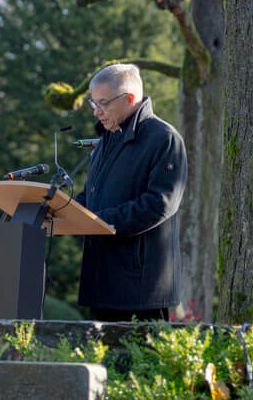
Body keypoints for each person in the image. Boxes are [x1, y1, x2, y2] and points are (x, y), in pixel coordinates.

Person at [74, 63, 187, 321]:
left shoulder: (163, 138)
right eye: (93, 104)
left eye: (103, 103)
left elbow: (160, 204)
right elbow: (91, 197)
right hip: (102, 279)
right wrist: (62, 209)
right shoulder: (107, 138)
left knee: (140, 361)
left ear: (129, 99)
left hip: (140, 287)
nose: (97, 112)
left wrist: (99, 221)